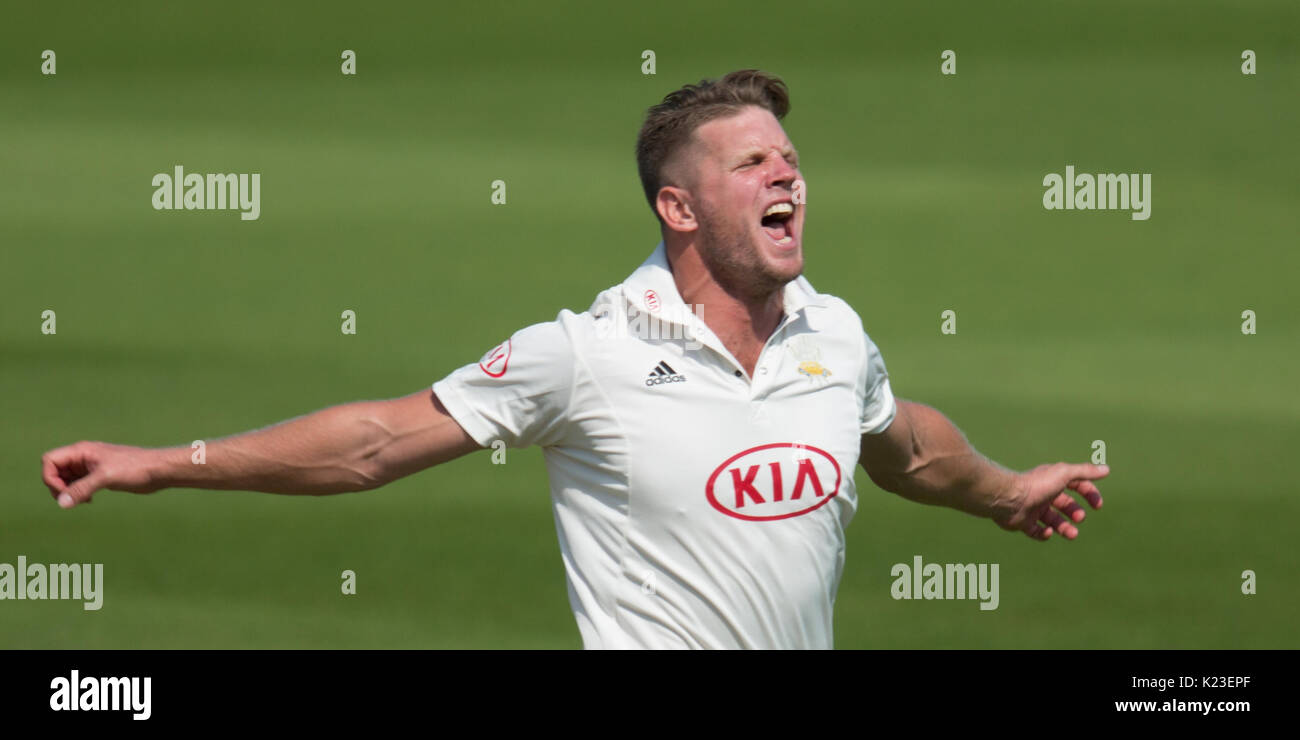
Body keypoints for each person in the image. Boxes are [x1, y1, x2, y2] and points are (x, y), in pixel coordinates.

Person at [40, 69, 1108, 649]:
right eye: (753, 163)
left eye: (789, 159)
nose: (787, 175)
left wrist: (1008, 491)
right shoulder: (586, 355)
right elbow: (374, 441)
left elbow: (903, 445)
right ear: (678, 207)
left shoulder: (832, 332)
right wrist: (162, 458)